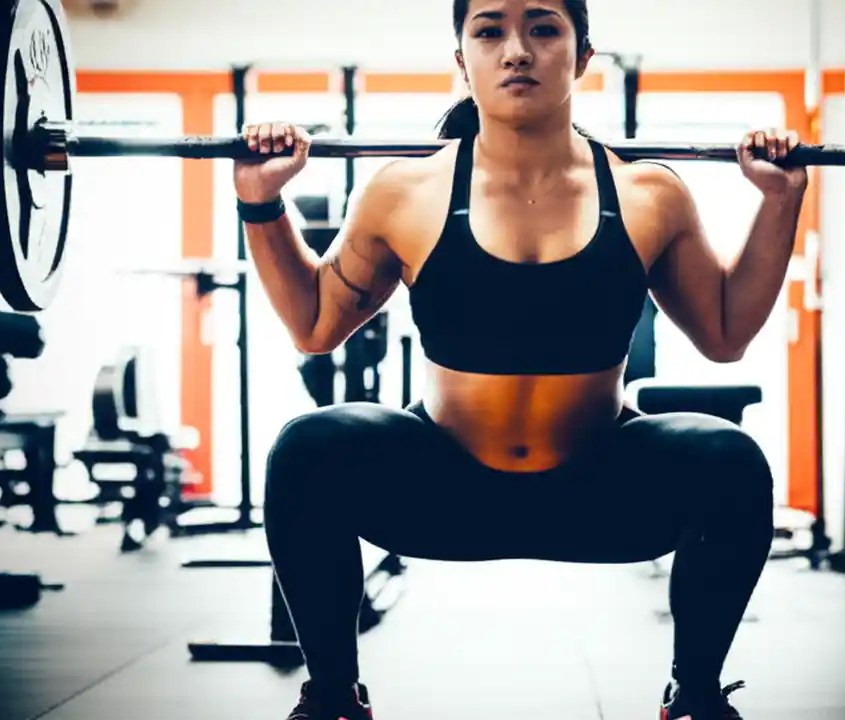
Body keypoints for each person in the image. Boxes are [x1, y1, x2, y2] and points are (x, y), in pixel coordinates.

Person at [234, 1, 807, 718]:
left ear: (582, 55)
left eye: (542, 28)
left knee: (732, 460)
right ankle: (333, 698)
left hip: (598, 490)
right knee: (307, 447)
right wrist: (261, 203)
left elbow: (725, 334)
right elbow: (315, 327)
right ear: (461, 60)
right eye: (489, 31)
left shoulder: (647, 194)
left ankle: (693, 698)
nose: (516, 51)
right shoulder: (403, 192)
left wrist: (780, 202)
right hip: (443, 488)